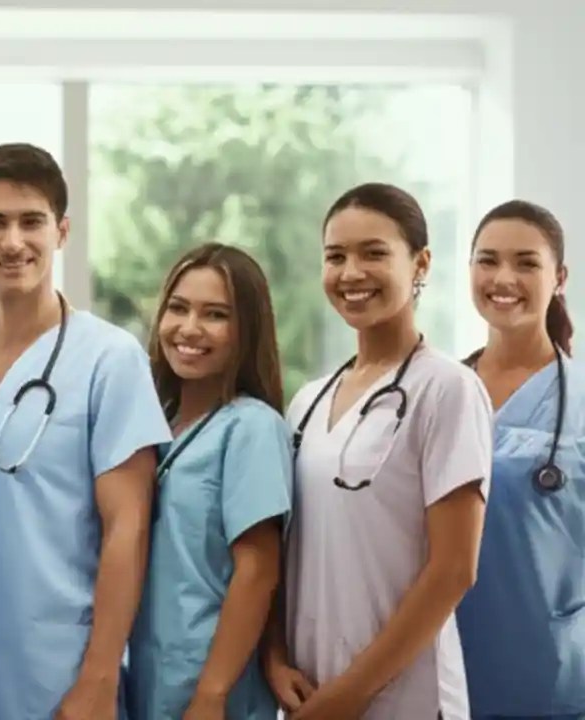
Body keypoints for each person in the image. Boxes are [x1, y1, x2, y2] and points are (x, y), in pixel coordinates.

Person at [0, 142, 167, 719]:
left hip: (63, 680)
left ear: (62, 231)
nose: (13, 242)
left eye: (31, 221)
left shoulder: (109, 359)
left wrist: (99, 682)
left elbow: (126, 529)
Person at [265, 182, 493, 719]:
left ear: (420, 264)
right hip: (310, 694)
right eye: (335, 256)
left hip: (406, 700)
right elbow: (285, 551)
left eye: (374, 253)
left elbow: (454, 568)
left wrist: (348, 696)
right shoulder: (307, 401)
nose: (351, 273)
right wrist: (274, 657)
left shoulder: (447, 388)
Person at [123, 243, 292, 720]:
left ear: (246, 331)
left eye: (215, 315)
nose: (189, 329)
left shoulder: (251, 427)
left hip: (211, 692)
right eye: (178, 308)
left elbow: (258, 570)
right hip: (149, 680)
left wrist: (211, 695)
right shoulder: (156, 425)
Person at [454, 200, 585, 719]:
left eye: (526, 262)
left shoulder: (578, 399)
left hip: (551, 685)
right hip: (440, 678)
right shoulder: (439, 391)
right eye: (487, 260)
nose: (503, 277)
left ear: (559, 277)